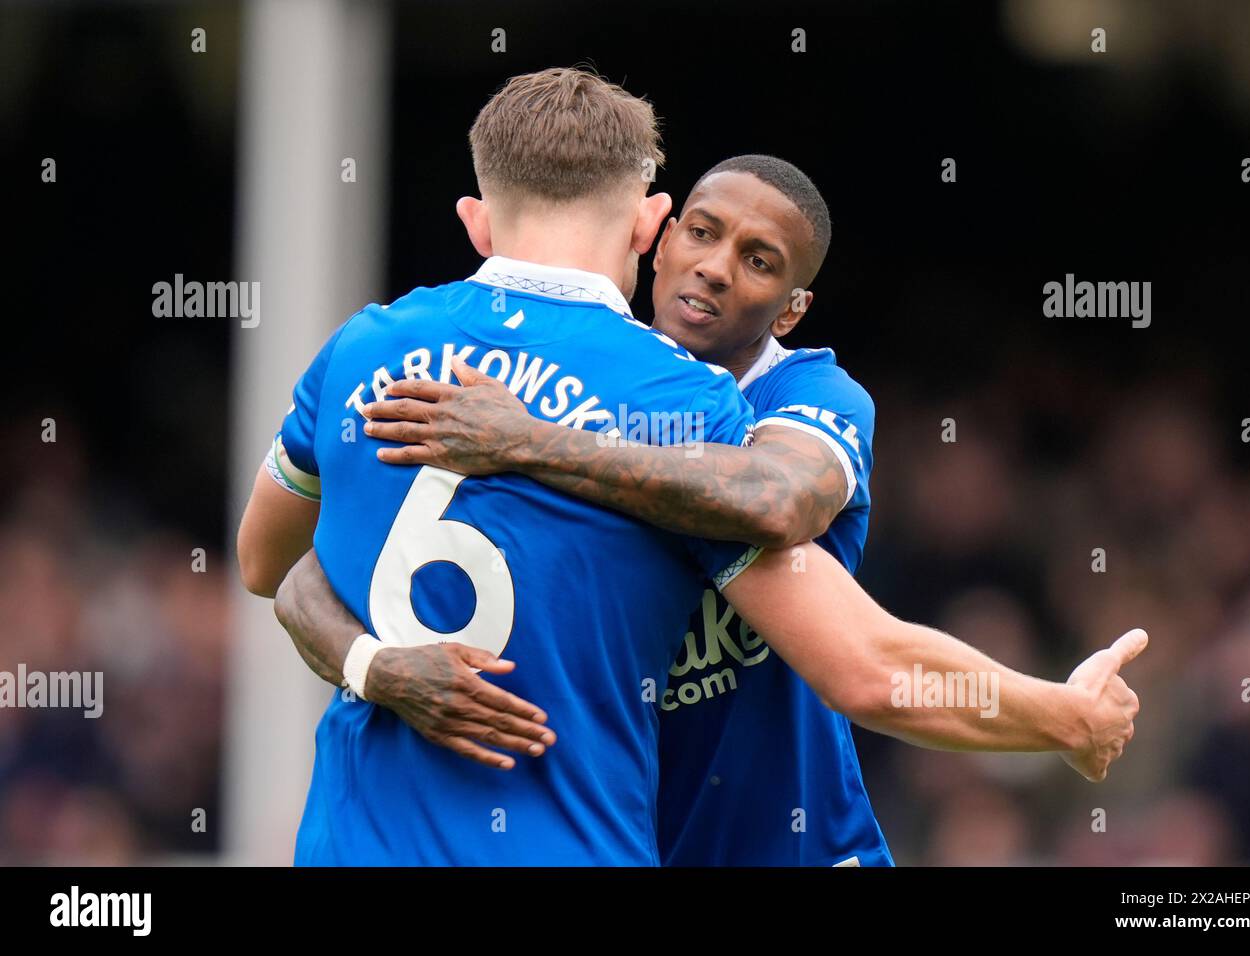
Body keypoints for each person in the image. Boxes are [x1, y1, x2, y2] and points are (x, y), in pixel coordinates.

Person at [242, 68, 1144, 866]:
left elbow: (779, 502)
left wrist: (536, 441)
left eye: (757, 262)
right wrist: (371, 663)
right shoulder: (657, 394)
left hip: (776, 844)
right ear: (655, 228)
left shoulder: (373, 348)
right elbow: (291, 576)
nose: (713, 271)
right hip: (597, 833)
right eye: (704, 234)